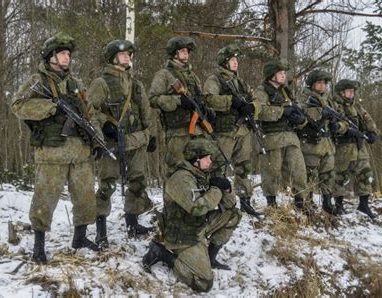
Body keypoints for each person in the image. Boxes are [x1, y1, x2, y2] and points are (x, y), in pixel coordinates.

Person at [11, 32, 99, 263]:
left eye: (68, 53)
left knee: (85, 198)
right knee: (44, 200)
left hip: (79, 152)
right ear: (51, 56)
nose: (67, 57)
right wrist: (51, 107)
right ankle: (38, 246)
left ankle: (80, 238)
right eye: (62, 53)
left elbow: (90, 114)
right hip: (51, 153)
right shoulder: (36, 82)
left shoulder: (76, 84)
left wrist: (96, 139)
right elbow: (18, 106)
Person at [142, 138, 241, 292]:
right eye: (207, 157)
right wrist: (215, 189)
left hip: (198, 225)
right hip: (182, 234)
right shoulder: (180, 178)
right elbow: (197, 208)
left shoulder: (202, 174)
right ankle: (162, 254)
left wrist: (227, 189)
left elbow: (230, 206)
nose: (210, 161)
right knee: (203, 283)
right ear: (196, 159)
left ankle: (209, 258)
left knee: (233, 215)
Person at [86, 39, 154, 242]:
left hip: (137, 141)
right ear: (112, 57)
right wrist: (105, 125)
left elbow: (146, 112)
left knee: (138, 183)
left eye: (129, 54)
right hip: (112, 144)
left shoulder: (136, 83)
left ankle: (132, 225)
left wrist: (151, 135)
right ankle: (101, 232)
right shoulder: (102, 83)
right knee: (107, 186)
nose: (128, 57)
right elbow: (90, 111)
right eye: (123, 54)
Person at [203, 44, 261, 218]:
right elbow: (209, 99)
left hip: (243, 131)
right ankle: (217, 202)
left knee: (244, 167)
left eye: (237, 60)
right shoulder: (215, 80)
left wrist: (252, 108)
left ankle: (245, 201)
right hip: (224, 132)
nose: (236, 63)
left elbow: (256, 101)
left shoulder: (241, 82)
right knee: (218, 168)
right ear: (224, 62)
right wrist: (231, 102)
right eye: (232, 60)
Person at [253, 58, 313, 214]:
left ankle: (300, 204)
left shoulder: (286, 92)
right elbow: (259, 112)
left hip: (291, 138)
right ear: (271, 75)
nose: (283, 75)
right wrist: (281, 112)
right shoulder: (262, 91)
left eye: (284, 72)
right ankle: (271, 205)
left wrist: (301, 120)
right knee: (271, 173)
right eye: (280, 72)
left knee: (299, 171)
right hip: (272, 138)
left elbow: (297, 111)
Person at [149, 36, 213, 175]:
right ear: (174, 53)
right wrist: (178, 101)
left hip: (197, 131)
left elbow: (200, 98)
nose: (186, 53)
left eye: (187, 51)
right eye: (183, 50)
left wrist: (206, 110)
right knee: (176, 168)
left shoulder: (193, 76)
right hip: (177, 131)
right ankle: (172, 197)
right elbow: (153, 99)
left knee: (199, 170)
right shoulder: (164, 74)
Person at [297, 70, 347, 215]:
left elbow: (343, 120)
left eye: (324, 83)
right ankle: (307, 202)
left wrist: (338, 126)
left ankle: (327, 202)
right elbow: (301, 114)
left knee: (328, 175)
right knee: (309, 175)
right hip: (310, 144)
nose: (322, 85)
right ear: (312, 84)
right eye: (319, 82)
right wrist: (320, 113)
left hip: (328, 145)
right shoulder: (304, 97)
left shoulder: (329, 100)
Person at [332, 79, 380, 218]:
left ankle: (364, 205)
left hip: (359, 146)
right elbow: (335, 124)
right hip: (343, 147)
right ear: (341, 92)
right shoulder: (336, 106)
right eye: (348, 91)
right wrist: (345, 129)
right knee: (340, 176)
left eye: (353, 91)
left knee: (365, 174)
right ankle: (338, 205)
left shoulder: (357, 106)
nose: (351, 94)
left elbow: (368, 120)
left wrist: (372, 132)